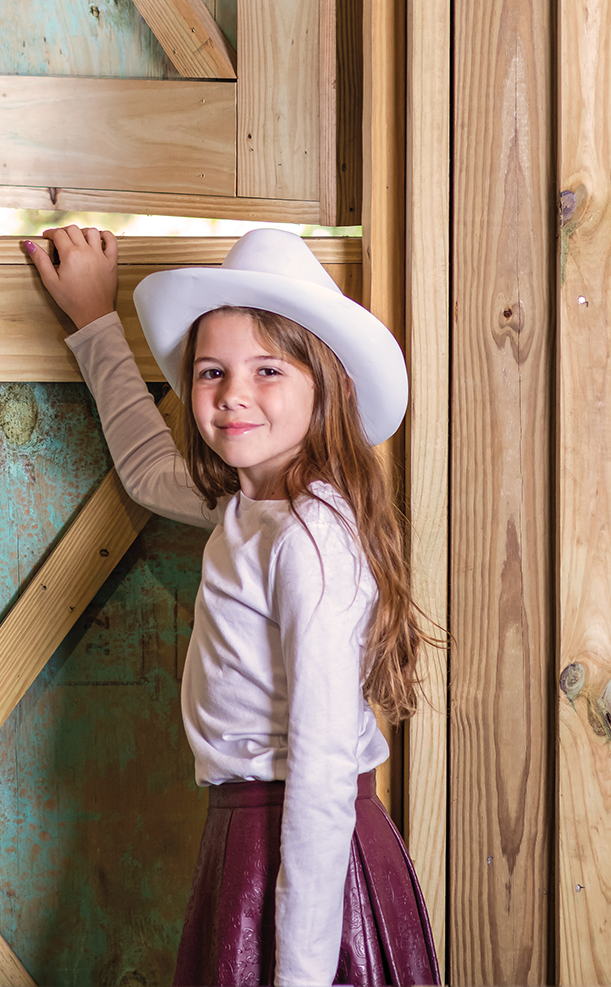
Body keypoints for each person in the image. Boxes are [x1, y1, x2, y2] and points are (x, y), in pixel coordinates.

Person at [25, 223, 440, 987]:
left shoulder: (310, 538)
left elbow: (319, 770)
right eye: (211, 371)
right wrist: (94, 323)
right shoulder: (251, 507)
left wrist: (304, 975)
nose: (232, 395)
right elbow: (153, 474)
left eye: (268, 370)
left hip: (302, 847)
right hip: (252, 838)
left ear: (333, 388)